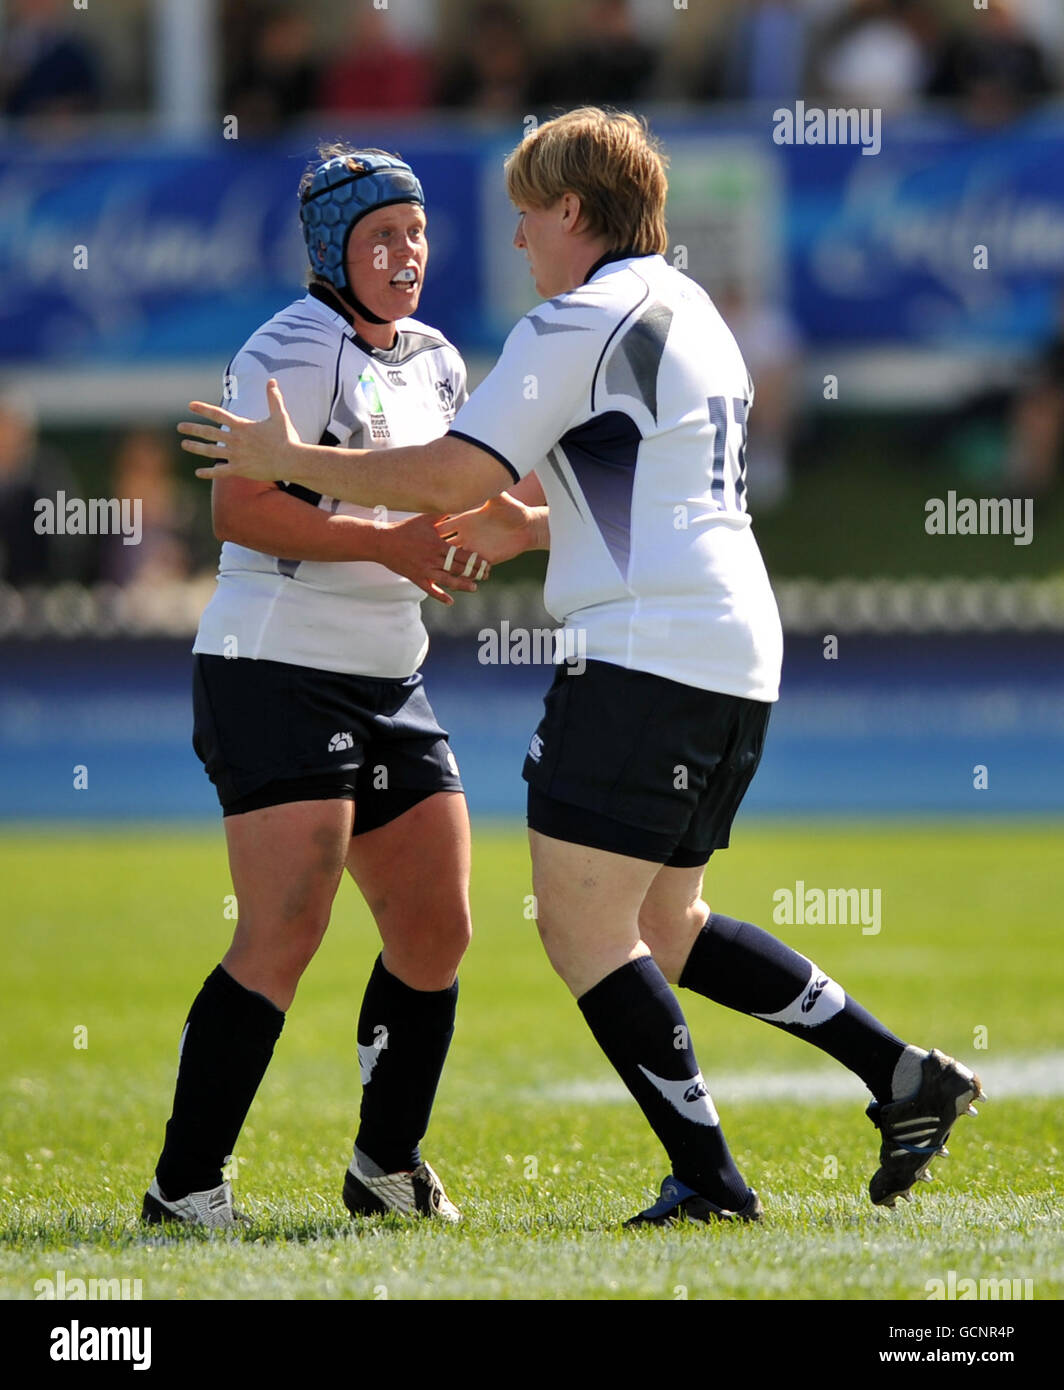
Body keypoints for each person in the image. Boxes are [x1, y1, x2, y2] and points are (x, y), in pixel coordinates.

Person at [181, 109, 984, 1225]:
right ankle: (898, 1073)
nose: (514, 244)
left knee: (579, 928)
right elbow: (637, 488)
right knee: (668, 925)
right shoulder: (693, 307)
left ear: (571, 211)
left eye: (523, 218)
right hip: (734, 646)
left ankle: (705, 1181)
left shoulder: (572, 322)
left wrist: (288, 459)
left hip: (643, 653)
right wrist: (523, 525)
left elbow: (447, 473)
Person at [144, 146, 488, 1228]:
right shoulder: (286, 348)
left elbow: (449, 495)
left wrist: (487, 530)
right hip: (275, 670)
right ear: (331, 249)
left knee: (436, 928)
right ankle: (182, 1186)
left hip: (391, 677)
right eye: (381, 236)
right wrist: (383, 547)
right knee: (285, 929)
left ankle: (385, 1168)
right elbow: (241, 512)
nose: (405, 254)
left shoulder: (436, 358)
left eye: (416, 233)